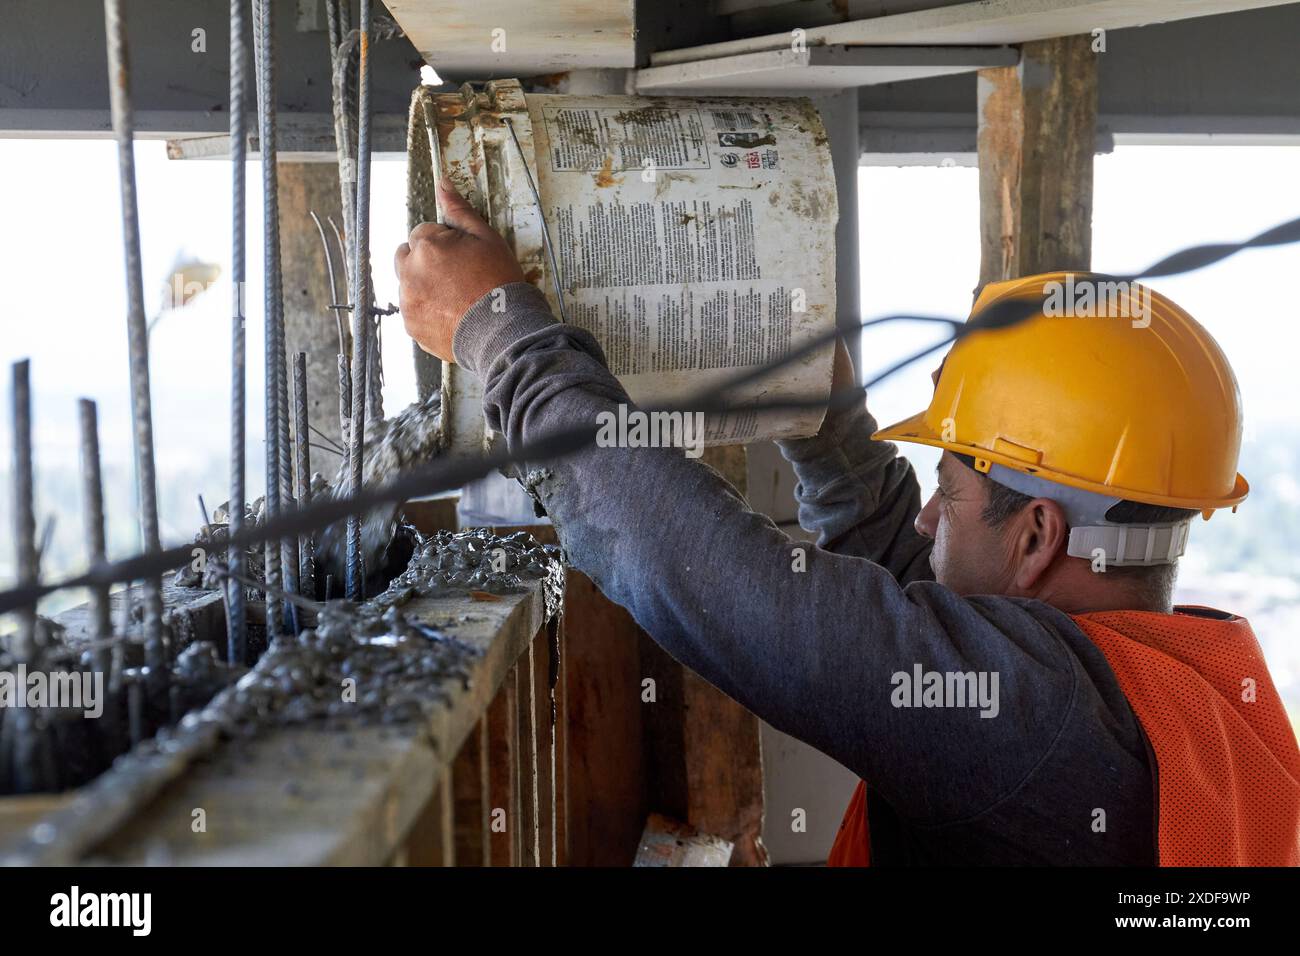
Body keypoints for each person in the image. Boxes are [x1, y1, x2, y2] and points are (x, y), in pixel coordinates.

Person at [394, 178, 1300, 865]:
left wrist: (500, 337)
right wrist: (825, 414)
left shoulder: (1039, 716)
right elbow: (917, 600)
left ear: (1037, 539)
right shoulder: (1186, 702)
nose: (932, 511)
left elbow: (726, 587)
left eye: (948, 485)